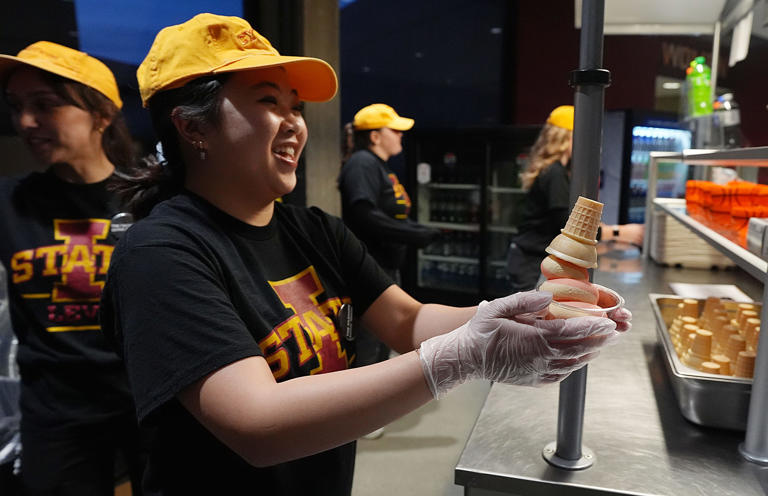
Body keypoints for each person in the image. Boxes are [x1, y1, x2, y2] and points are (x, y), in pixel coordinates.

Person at [99, 13, 631, 495]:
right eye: (268, 102)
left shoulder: (313, 230)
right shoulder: (161, 255)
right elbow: (255, 425)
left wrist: (520, 315)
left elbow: (409, 319)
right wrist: (463, 357)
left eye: (296, 108)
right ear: (192, 126)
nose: (294, 125)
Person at [0, 42, 146, 495]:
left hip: (149, 403)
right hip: (56, 413)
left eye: (44, 105)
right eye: (17, 107)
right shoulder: (8, 202)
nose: (26, 122)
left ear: (101, 115)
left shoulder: (151, 200)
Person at [338, 104, 440, 375]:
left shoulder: (380, 167)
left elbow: (390, 215)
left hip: (384, 268)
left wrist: (418, 230)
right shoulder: (362, 163)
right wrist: (414, 234)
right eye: (394, 130)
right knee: (369, 350)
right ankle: (359, 411)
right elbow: (364, 214)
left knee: (382, 346)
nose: (400, 136)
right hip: (370, 269)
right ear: (374, 136)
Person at [508, 105, 645, 291]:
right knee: (531, 315)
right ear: (566, 138)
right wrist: (618, 232)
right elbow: (567, 227)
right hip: (531, 262)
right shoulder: (554, 173)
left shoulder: (555, 169)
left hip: (529, 256)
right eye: (583, 137)